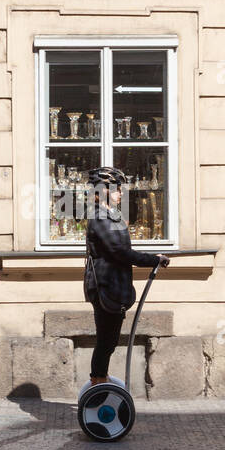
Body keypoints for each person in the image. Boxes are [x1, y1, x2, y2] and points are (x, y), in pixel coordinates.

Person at [83, 166, 169, 388]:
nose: (121, 193)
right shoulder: (100, 218)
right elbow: (119, 252)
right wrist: (153, 259)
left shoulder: (111, 216)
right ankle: (97, 381)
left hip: (114, 286)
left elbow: (121, 251)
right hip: (105, 287)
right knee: (106, 340)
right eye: (116, 189)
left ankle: (99, 378)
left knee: (109, 340)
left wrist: (153, 258)